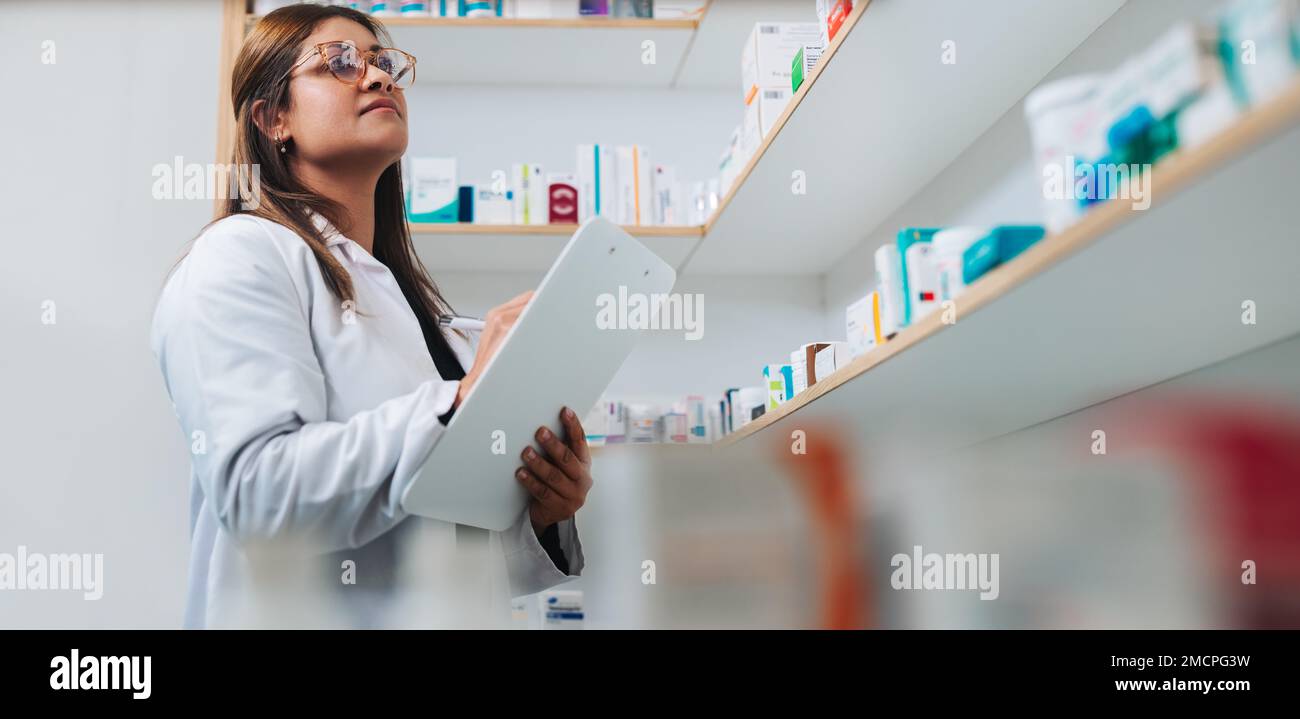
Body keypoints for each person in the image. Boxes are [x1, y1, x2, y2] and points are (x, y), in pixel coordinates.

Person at [150, 4, 590, 628]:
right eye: (340, 63)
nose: (379, 78)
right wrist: (458, 406)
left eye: (383, 63)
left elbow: (445, 544)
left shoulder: (424, 318)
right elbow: (258, 493)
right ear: (273, 116)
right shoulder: (239, 255)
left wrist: (542, 514)